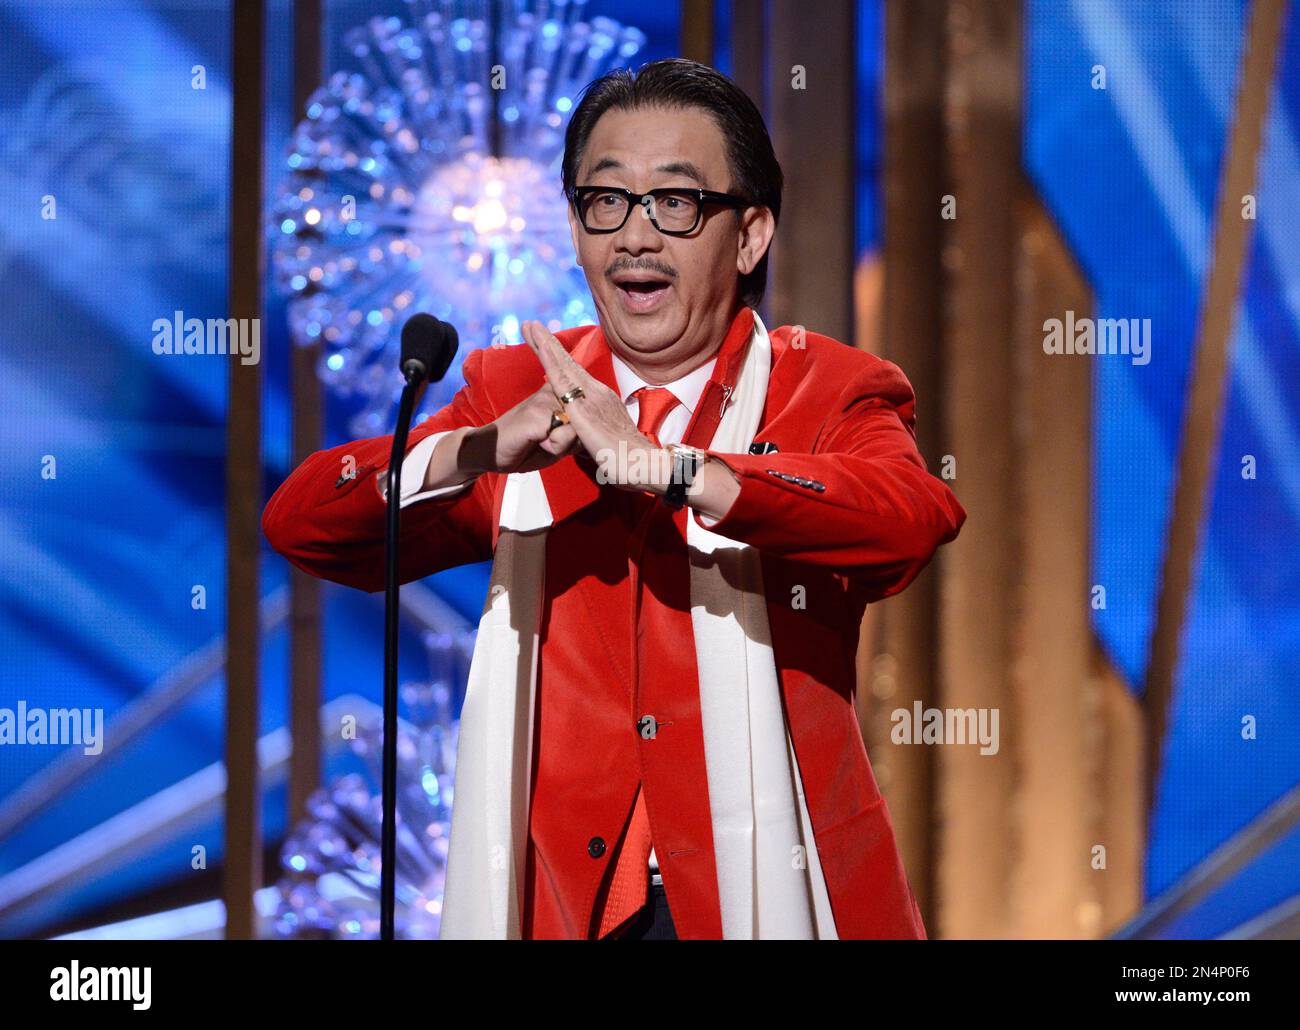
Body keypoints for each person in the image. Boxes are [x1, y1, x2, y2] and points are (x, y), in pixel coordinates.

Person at [262, 58, 966, 939]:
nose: (635, 236)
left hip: (774, 892)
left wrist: (680, 470)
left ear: (749, 236)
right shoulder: (519, 391)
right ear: (574, 225)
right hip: (566, 908)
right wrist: (473, 449)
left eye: (675, 203)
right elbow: (302, 526)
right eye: (606, 201)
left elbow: (911, 517)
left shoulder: (825, 389)